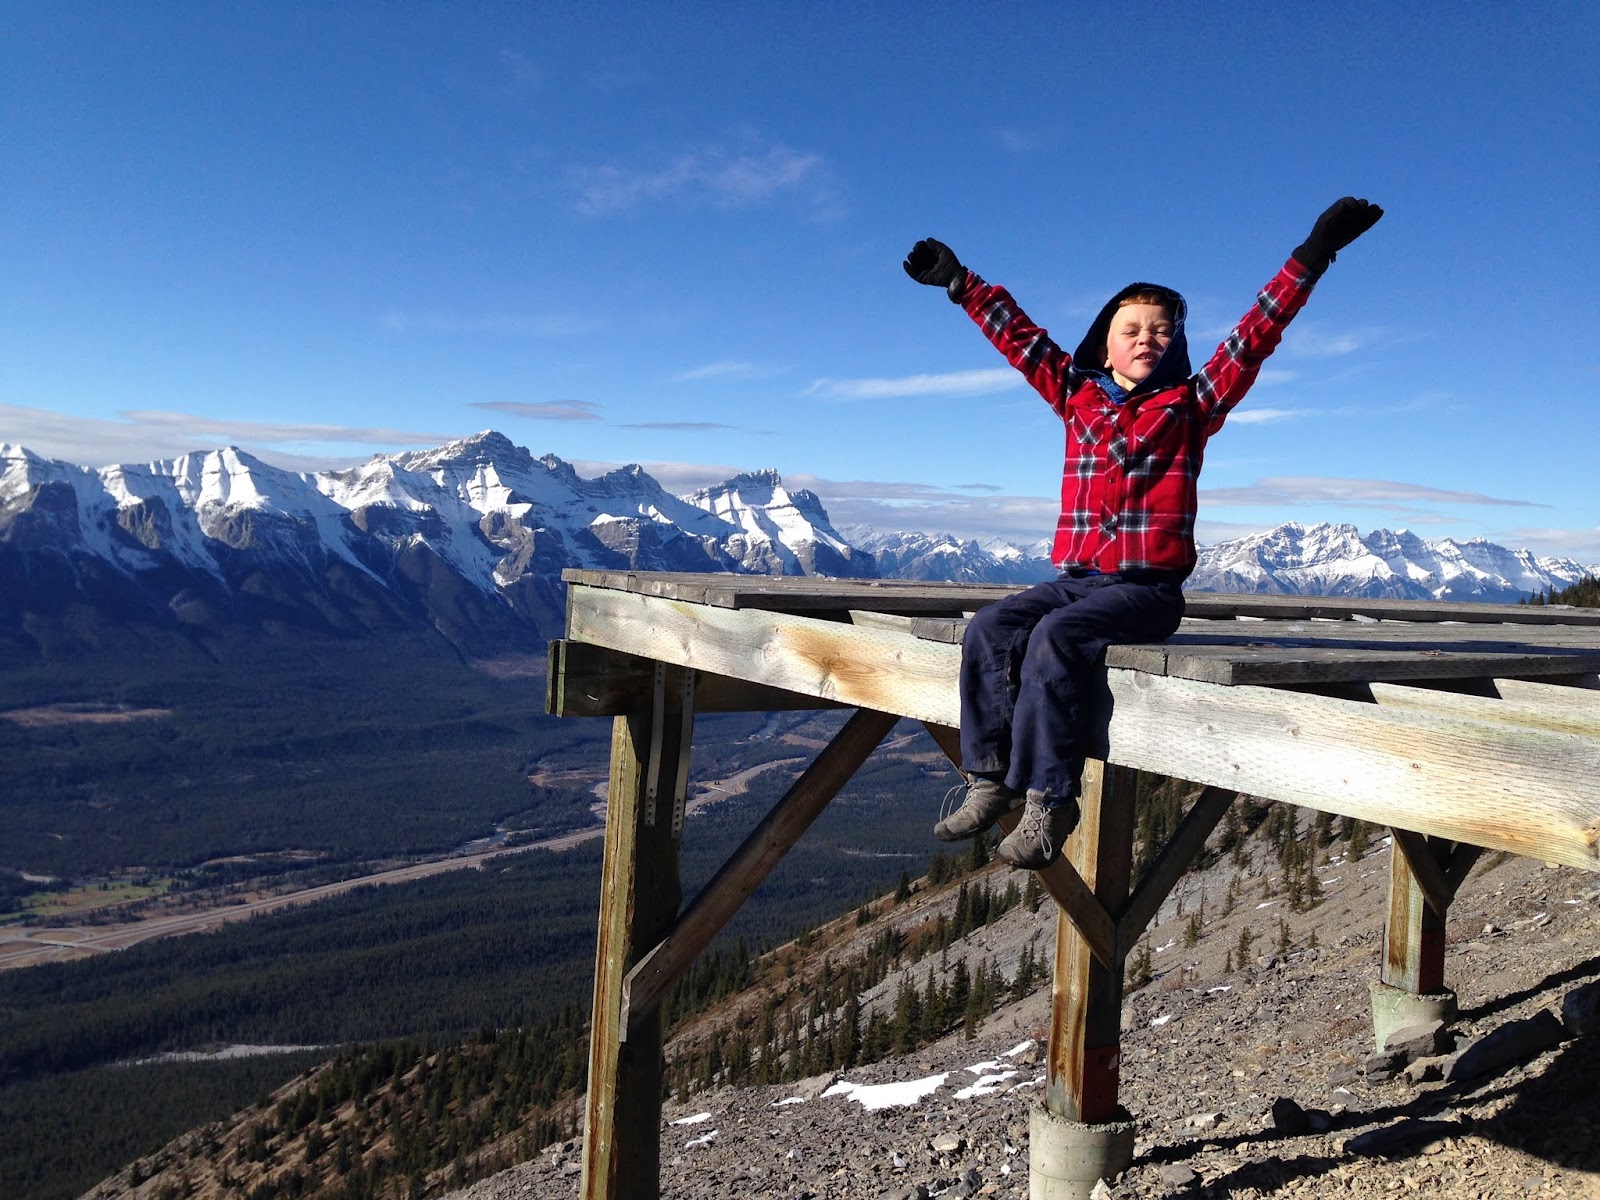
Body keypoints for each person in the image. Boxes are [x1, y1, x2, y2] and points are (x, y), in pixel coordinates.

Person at [904, 196, 1383, 869]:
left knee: (1054, 639)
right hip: (1077, 580)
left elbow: (1255, 335)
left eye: (1162, 330)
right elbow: (1022, 339)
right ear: (1107, 340)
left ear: (1176, 343)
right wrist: (962, 284)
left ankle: (1048, 798)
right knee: (989, 627)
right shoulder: (1077, 395)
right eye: (1133, 328)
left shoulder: (1192, 403)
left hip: (1146, 591)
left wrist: (1313, 253)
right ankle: (988, 779)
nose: (1147, 339)